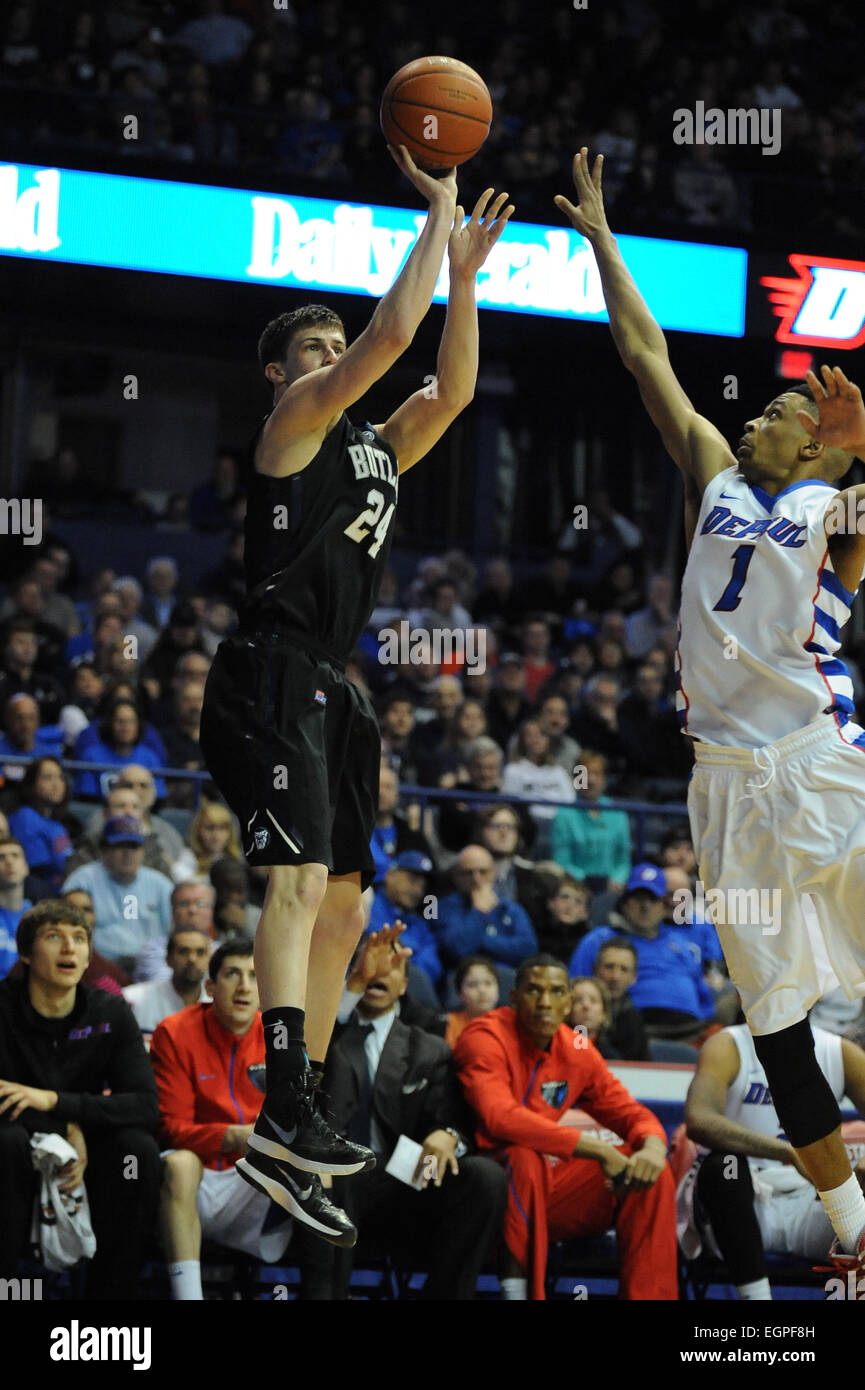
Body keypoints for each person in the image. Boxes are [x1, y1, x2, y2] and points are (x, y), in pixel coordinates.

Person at [556, 144, 865, 1272]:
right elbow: (643, 355)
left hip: (821, 763)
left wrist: (858, 454)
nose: (777, 407)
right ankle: (851, 1233)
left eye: (793, 403)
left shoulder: (840, 506)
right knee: (772, 1017)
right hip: (725, 786)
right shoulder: (715, 474)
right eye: (777, 402)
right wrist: (599, 238)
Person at [198, 150, 514, 1241]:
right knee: (291, 887)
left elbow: (451, 387)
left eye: (333, 343)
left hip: (337, 687)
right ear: (283, 375)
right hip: (271, 668)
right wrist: (432, 213)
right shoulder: (291, 432)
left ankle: (305, 1119)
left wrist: (464, 274)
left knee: (344, 905)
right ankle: (281, 1098)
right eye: (312, 349)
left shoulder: (375, 450)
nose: (333, 355)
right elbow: (390, 343)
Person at [454, 955, 677, 1300]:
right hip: (478, 1184)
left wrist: (652, 1147)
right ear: (513, 999)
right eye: (533, 991)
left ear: (567, 1002)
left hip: (544, 1188)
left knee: (650, 1175)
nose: (545, 1002)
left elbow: (630, 1113)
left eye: (556, 992)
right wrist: (599, 1150)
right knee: (524, 1156)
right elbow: (500, 1117)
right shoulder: (484, 1036)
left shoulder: (575, 1048)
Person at [300, 933, 507, 1298]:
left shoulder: (428, 1048)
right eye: (370, 963)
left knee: (485, 1178)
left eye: (392, 965)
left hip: (409, 1179)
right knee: (339, 1169)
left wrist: (448, 1135)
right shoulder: (322, 1036)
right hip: (336, 1180)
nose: (380, 970)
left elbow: (452, 1121)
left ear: (405, 984)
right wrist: (352, 986)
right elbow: (309, 1050)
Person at [0, 900, 160, 1298]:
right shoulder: (1, 1007)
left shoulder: (110, 1012)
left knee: (134, 1154)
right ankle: (11, 1289)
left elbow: (144, 1105)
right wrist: (65, 1128)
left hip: (86, 1148)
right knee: (7, 1144)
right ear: (25, 954)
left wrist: (62, 1108)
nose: (69, 949)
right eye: (53, 937)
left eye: (79, 939)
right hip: (15, 1143)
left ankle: (111, 1293)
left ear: (90, 955)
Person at [151, 937, 293, 1299]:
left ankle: (323, 1293)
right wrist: (232, 1136)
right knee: (180, 1163)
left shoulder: (280, 1039)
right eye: (233, 974)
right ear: (211, 987)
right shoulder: (175, 1031)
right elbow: (170, 1129)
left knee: (318, 1169)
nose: (245, 986)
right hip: (193, 1183)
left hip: (253, 1185)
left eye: (254, 975)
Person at [681, 1024, 865, 1299]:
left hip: (815, 1202)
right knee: (725, 1166)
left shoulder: (839, 1051)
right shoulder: (728, 1045)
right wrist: (788, 1152)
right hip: (740, 1203)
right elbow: (698, 1120)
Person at [572, 863, 716, 1044]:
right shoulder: (600, 938)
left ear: (662, 906)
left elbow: (702, 991)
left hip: (691, 1028)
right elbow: (577, 985)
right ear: (624, 903)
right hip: (633, 1027)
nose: (645, 906)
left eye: (652, 899)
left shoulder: (681, 942)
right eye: (638, 898)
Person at [62, 815, 174, 974]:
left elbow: (174, 933)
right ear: (104, 850)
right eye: (120, 846)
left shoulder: (161, 885)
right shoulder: (82, 880)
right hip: (95, 966)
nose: (127, 853)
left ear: (143, 851)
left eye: (133, 846)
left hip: (150, 967)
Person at [437, 845, 538, 972]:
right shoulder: (442, 907)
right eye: (468, 873)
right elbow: (457, 949)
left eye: (483, 871)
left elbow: (528, 948)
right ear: (456, 876)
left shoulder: (511, 908)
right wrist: (479, 911)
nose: (476, 879)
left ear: (493, 874)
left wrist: (481, 942)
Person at [550, 750, 631, 891]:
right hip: (575, 887)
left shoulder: (618, 814)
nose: (591, 780)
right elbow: (561, 861)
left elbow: (623, 861)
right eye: (585, 774)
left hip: (611, 889)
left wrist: (617, 879)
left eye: (597, 773)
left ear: (605, 779)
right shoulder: (564, 815)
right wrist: (588, 882)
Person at [123, 926, 212, 1043]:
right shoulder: (133, 998)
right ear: (168, 960)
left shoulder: (217, 1004)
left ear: (209, 961)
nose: (192, 959)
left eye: (200, 953)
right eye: (184, 952)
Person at [8, 756, 74, 891]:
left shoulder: (57, 823)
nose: (56, 784)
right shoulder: (26, 817)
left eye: (60, 777)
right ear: (32, 783)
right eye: (48, 778)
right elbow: (36, 871)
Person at [593, 938, 649, 1062]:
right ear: (596, 969)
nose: (615, 977)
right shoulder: (576, 1014)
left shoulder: (634, 1023)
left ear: (634, 977)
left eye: (624, 969)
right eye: (609, 967)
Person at [445, 954, 500, 1049]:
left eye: (488, 983)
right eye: (473, 984)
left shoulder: (510, 1023)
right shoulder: (448, 1024)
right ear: (460, 994)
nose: (482, 990)